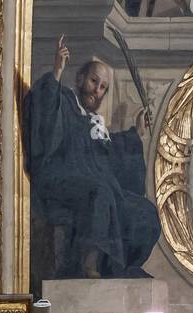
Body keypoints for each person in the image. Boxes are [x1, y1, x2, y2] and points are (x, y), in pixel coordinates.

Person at [24, 36, 161, 279]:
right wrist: (56, 72)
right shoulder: (65, 102)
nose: (97, 90)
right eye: (93, 81)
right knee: (101, 193)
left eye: (103, 87)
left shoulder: (96, 124)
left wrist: (135, 133)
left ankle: (117, 267)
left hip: (97, 184)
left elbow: (110, 157)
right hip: (60, 178)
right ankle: (89, 264)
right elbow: (44, 113)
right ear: (79, 79)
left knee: (145, 213)